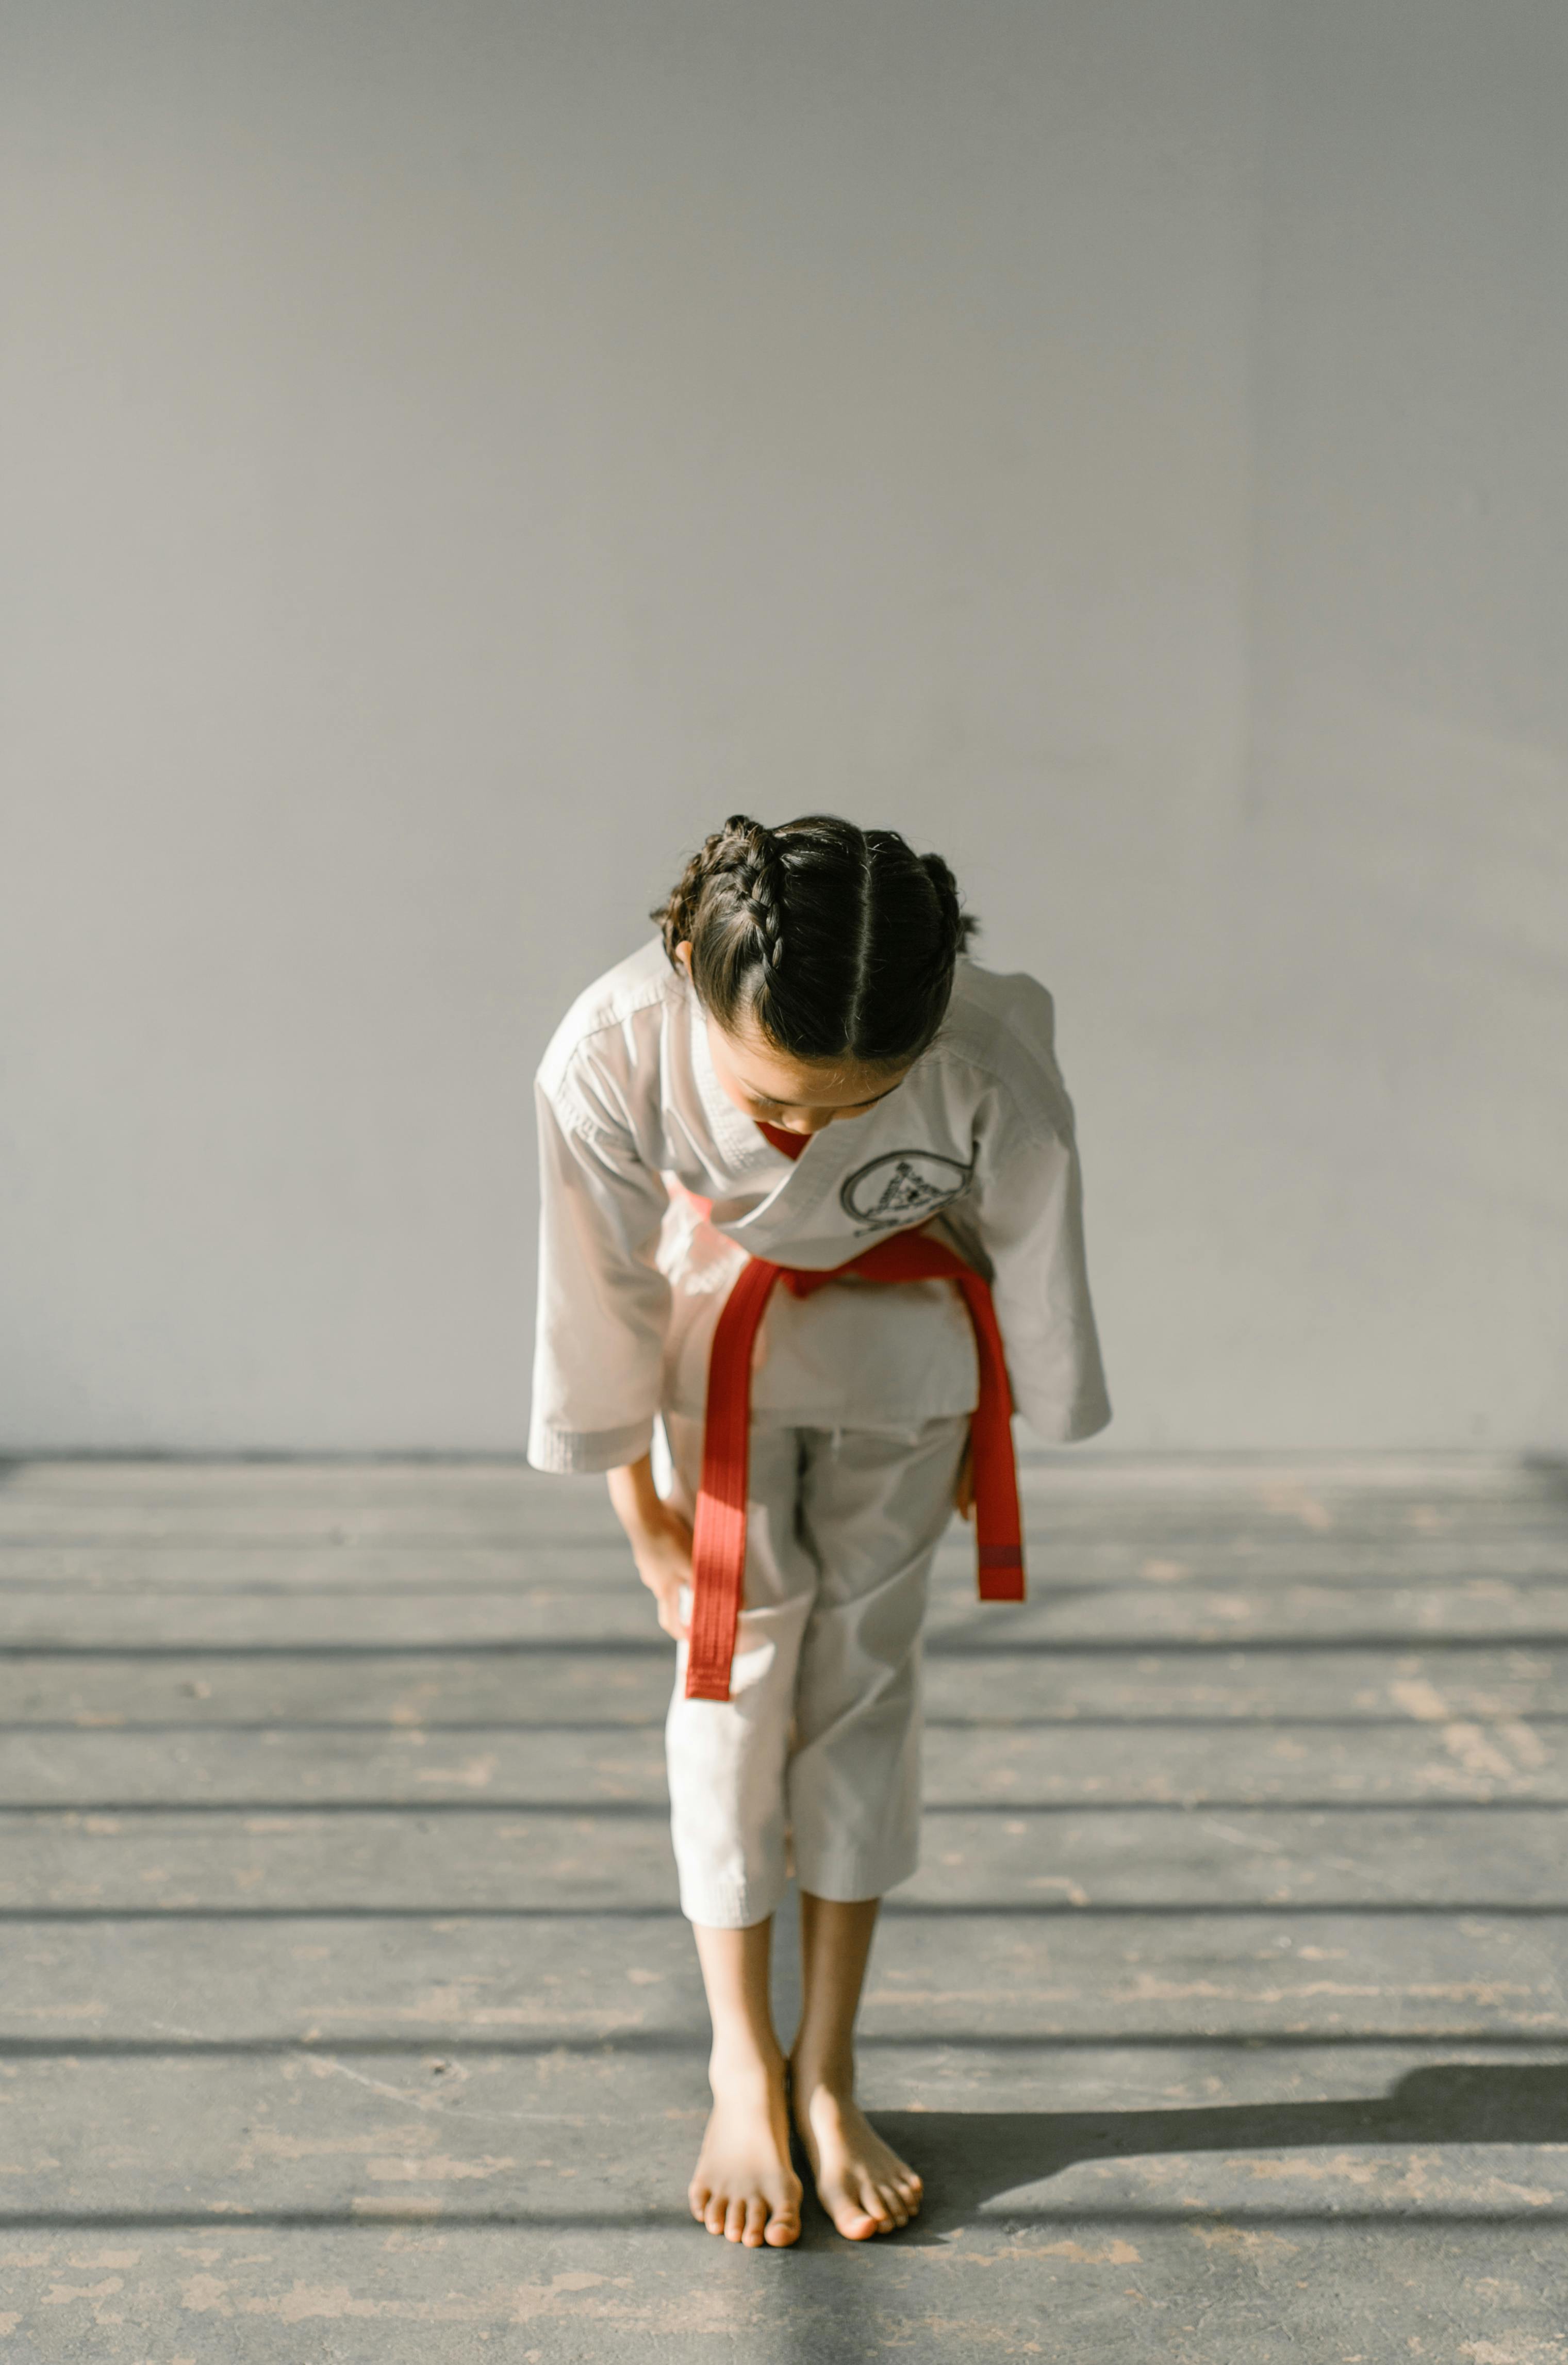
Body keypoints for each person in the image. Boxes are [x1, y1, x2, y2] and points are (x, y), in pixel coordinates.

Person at [529, 813, 1109, 2248]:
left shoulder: (988, 1054)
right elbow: (593, 1285)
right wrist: (640, 1514)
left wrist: (1005, 1422)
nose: (821, 1125)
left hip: (911, 1373)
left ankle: (828, 2065)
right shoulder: (611, 1048)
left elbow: (1030, 1246)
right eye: (780, 1095)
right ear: (687, 962)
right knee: (727, 1683)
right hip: (713, 1359)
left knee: (864, 1683)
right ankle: (739, 2058)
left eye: (866, 1098)